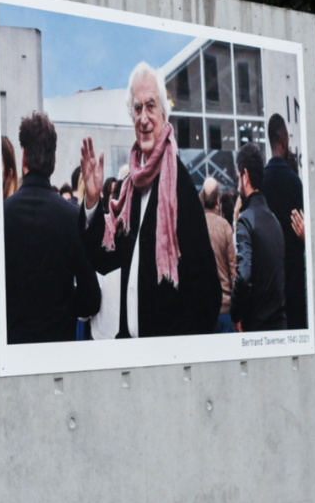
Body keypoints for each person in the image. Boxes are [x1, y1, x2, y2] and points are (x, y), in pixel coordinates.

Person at [78, 62, 221, 338]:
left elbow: (206, 291)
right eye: (138, 107)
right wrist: (94, 202)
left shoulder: (180, 185)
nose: (144, 117)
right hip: (130, 349)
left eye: (151, 106)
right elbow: (105, 260)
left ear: (164, 115)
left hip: (164, 357)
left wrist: (180, 355)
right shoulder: (127, 187)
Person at [3, 113, 102, 343]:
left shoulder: (2, 215)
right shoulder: (71, 217)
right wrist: (62, 302)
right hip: (58, 350)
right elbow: (92, 299)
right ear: (54, 160)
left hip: (14, 352)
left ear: (23, 156)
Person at [231, 145, 285, 331]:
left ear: (245, 176)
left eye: (238, 177)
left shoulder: (246, 220)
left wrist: (236, 314)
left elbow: (244, 276)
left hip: (256, 327)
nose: (238, 182)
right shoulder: (274, 220)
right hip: (279, 324)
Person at [263, 115, 308, 331]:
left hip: (267, 283)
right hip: (293, 279)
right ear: (283, 138)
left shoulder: (260, 182)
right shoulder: (294, 183)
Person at [201, 176, 235, 333]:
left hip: (204, 310)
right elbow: (233, 271)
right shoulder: (225, 227)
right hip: (225, 309)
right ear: (217, 200)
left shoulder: (196, 227)